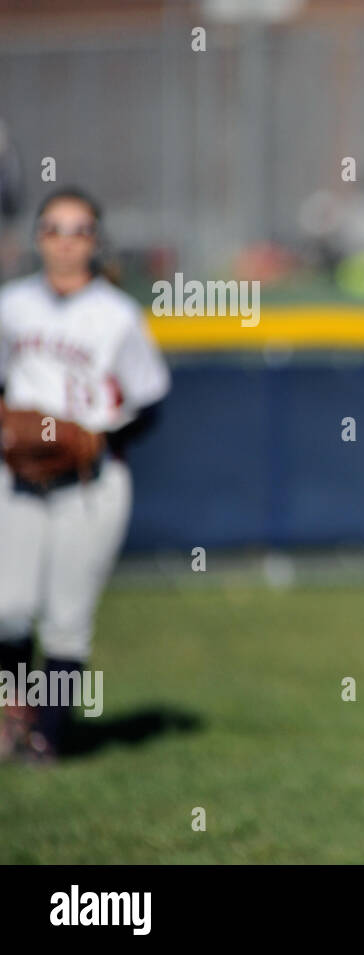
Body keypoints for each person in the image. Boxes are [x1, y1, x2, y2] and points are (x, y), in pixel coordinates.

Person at [0, 187, 170, 764]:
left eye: (78, 230)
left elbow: (149, 400)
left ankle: (47, 738)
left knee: (67, 623)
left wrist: (95, 438)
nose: (65, 241)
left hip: (90, 485)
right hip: (18, 478)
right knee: (8, 609)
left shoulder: (117, 315)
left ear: (96, 242)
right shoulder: (13, 305)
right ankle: (13, 719)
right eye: (53, 228)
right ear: (38, 238)